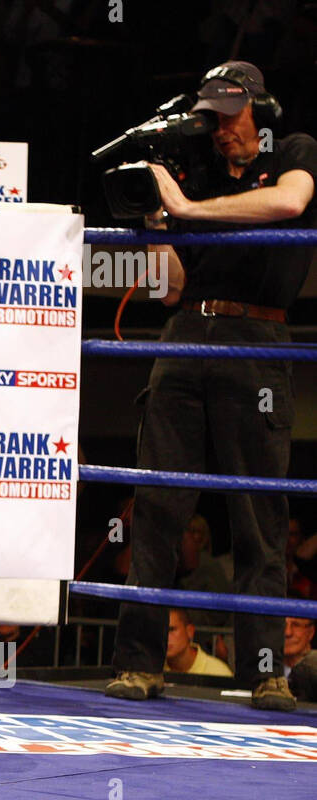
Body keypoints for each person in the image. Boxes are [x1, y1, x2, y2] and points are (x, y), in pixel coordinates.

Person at [107, 61, 317, 712]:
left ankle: (265, 674)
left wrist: (190, 208)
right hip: (185, 336)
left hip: (256, 340)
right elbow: (171, 283)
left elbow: (290, 203)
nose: (220, 128)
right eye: (212, 116)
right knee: (159, 508)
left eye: (230, 114)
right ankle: (140, 666)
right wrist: (159, 230)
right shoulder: (192, 169)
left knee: (260, 516)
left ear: (259, 109)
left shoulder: (295, 152)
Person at [164, 608, 232, 677]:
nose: (165, 636)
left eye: (171, 630)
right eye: (160, 630)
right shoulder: (155, 669)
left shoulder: (218, 672)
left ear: (189, 631)